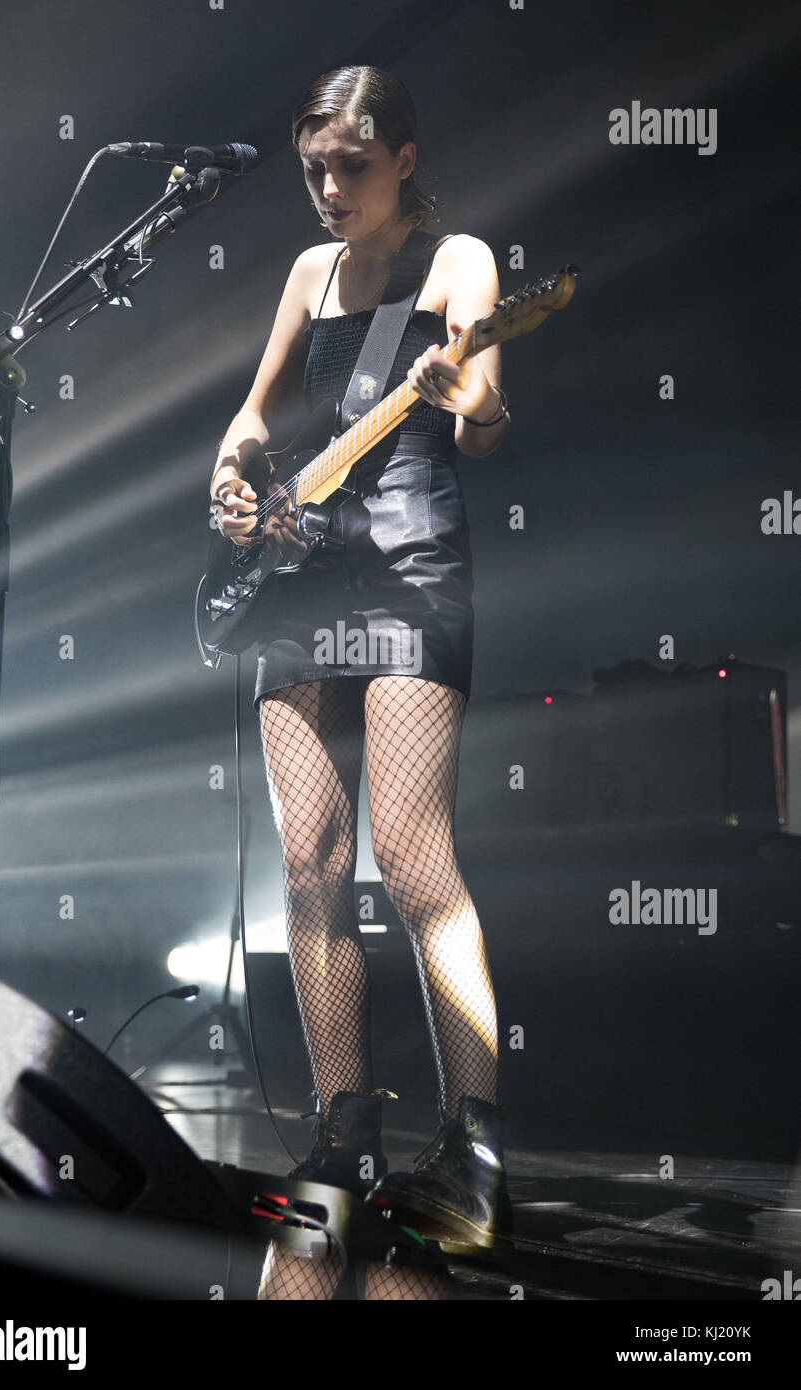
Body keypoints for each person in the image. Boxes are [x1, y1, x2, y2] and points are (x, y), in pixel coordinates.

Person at [209, 65, 513, 1298]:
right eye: (312, 171)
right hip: (300, 576)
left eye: (349, 166)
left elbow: (489, 417)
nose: (329, 190)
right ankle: (342, 1131)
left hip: (407, 573)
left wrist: (462, 388)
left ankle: (474, 1145)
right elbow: (249, 416)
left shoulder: (460, 262)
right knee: (311, 859)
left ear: (399, 157)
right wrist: (230, 479)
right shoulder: (304, 274)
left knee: (414, 849)